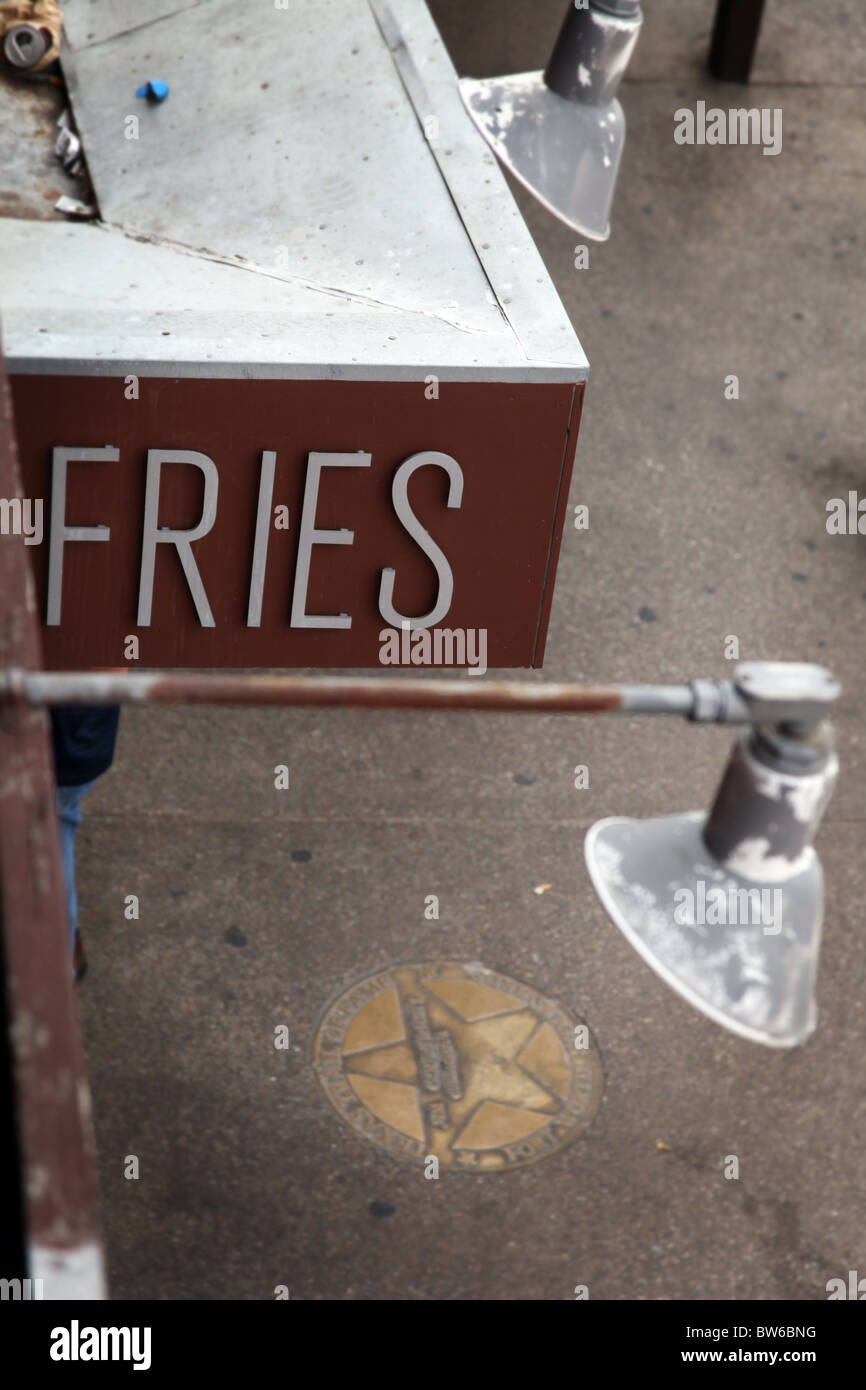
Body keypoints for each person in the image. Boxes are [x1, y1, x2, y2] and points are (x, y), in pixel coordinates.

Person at [50, 705, 120, 981]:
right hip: (81, 740)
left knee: (52, 833)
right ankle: (60, 958)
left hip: (61, 741)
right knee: (58, 825)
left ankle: (55, 959)